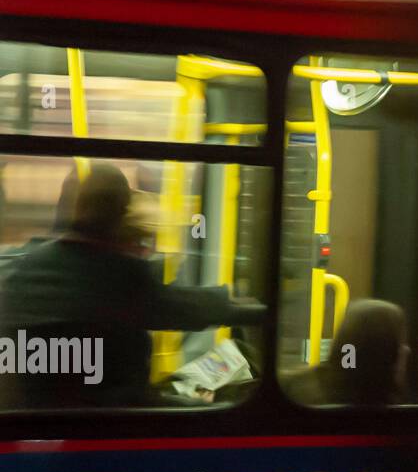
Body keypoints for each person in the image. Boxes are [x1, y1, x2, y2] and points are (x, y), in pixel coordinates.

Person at [0, 163, 265, 408]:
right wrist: (251, 310)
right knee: (217, 411)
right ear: (120, 212)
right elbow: (180, 307)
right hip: (114, 416)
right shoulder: (118, 273)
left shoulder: (27, 264)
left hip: (39, 412)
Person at [282, 299, 409, 406]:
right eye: (399, 343)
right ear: (381, 356)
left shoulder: (294, 385)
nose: (407, 350)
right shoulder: (374, 408)